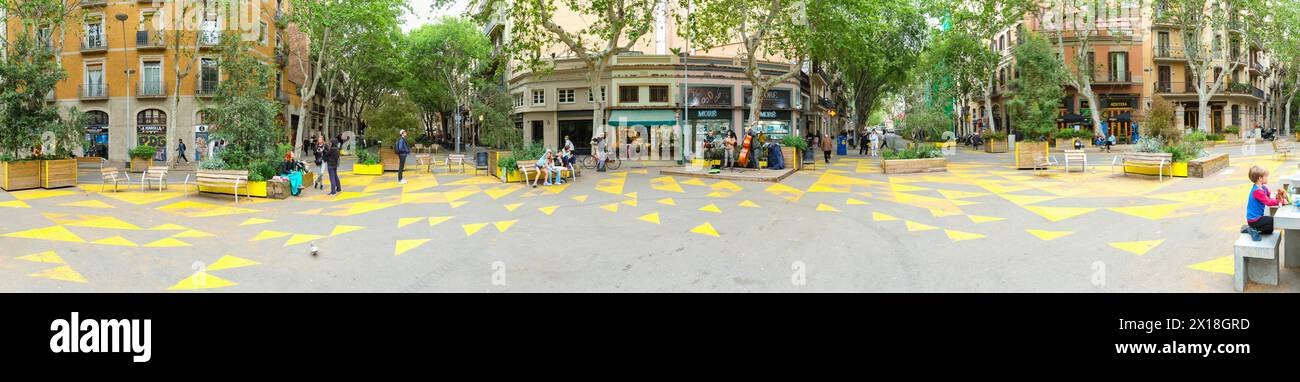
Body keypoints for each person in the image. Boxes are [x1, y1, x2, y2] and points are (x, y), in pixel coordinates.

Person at [1245, 166, 1284, 238]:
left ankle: (1254, 229)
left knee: (1270, 229)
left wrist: (1278, 195)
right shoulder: (1257, 191)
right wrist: (1280, 202)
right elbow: (1268, 202)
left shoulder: (1263, 187)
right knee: (1272, 221)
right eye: (1266, 176)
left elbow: (1270, 196)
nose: (1267, 178)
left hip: (1258, 217)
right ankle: (1252, 229)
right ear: (1260, 178)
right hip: (1254, 220)